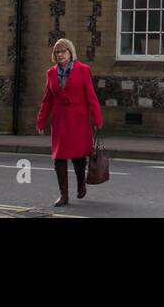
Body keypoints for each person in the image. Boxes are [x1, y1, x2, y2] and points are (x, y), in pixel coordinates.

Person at [36, 38, 103, 206]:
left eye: (63, 51)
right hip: (59, 120)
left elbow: (91, 96)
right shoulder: (51, 73)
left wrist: (97, 118)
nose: (60, 55)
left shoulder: (83, 70)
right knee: (59, 158)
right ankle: (63, 195)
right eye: (57, 52)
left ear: (70, 53)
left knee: (79, 157)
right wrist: (41, 120)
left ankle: (81, 184)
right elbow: (47, 100)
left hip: (78, 119)